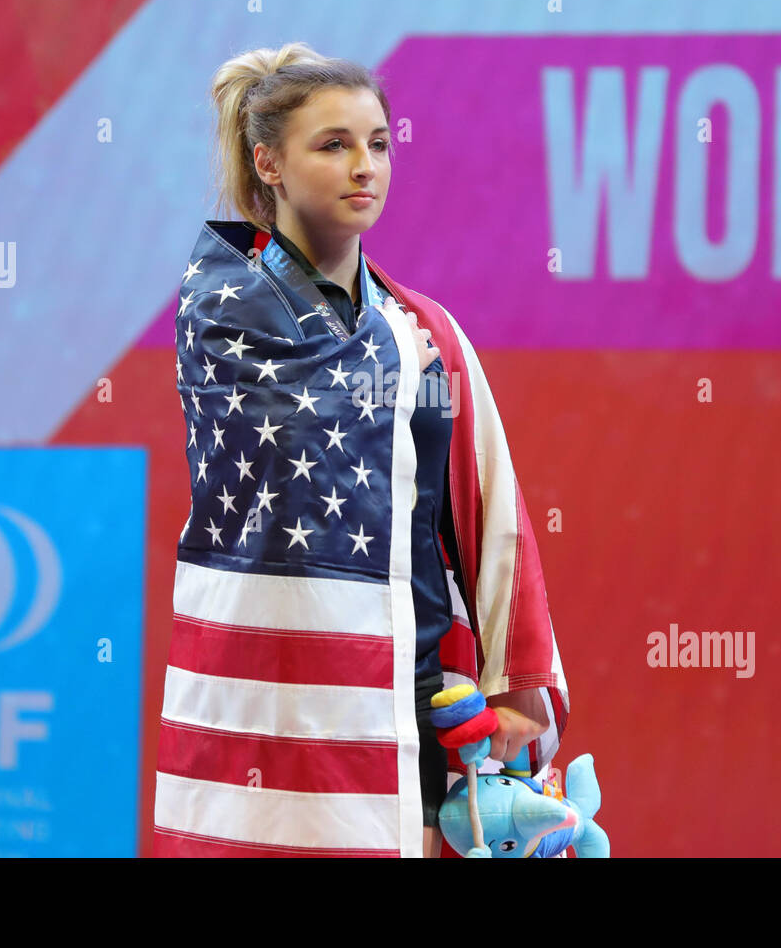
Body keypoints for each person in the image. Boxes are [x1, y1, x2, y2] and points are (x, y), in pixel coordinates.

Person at [153, 42, 569, 858]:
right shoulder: (222, 307)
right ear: (267, 162)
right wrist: (395, 363)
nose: (363, 166)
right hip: (276, 697)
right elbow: (314, 442)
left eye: (378, 142)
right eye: (333, 144)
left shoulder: (425, 332)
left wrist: (504, 682)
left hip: (414, 701)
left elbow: (482, 513)